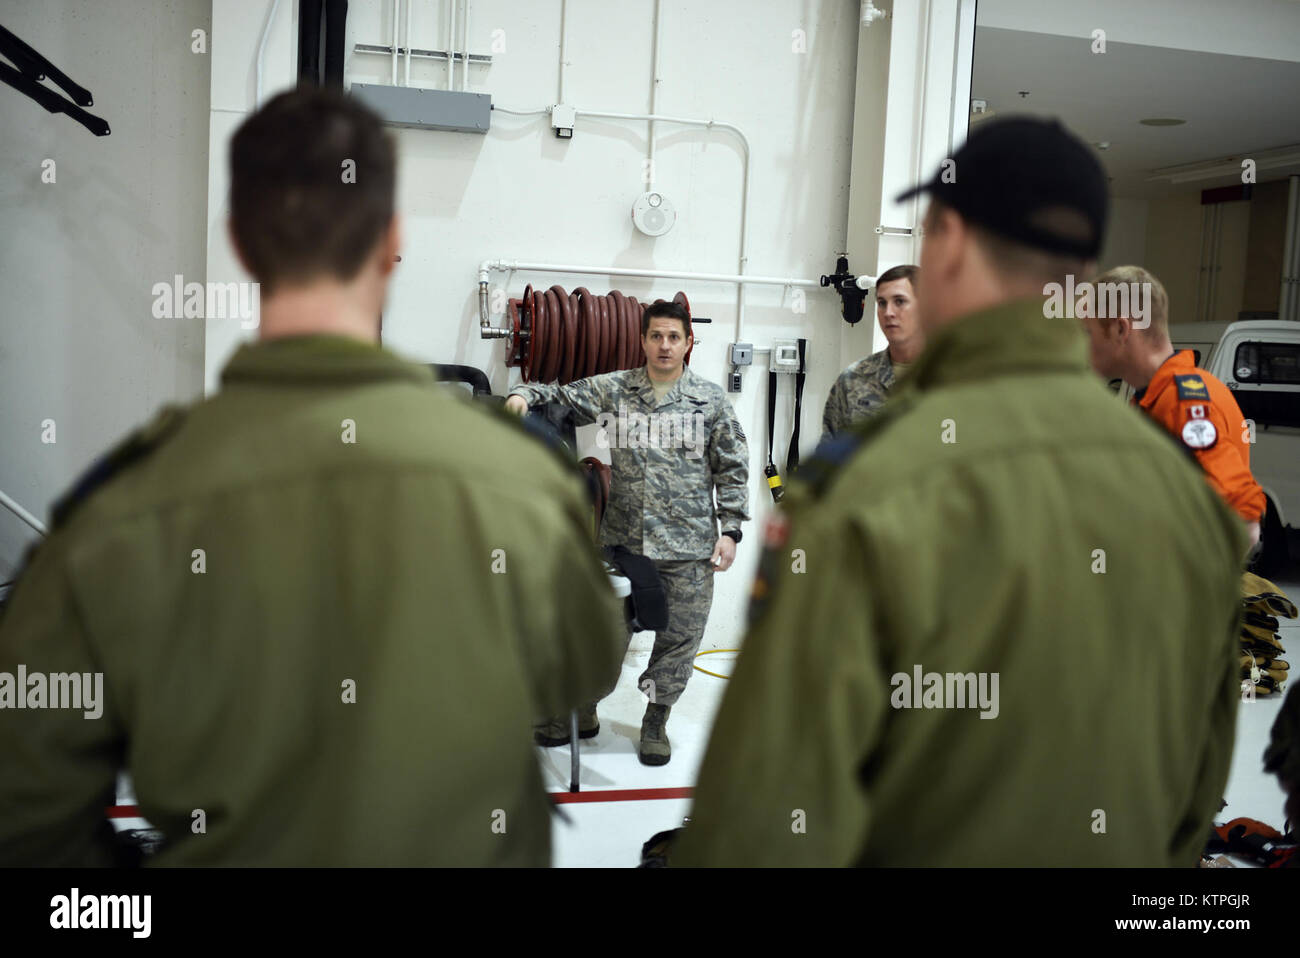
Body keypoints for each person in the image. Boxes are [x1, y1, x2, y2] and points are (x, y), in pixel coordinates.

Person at [0, 87, 625, 866]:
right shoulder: (517, 477)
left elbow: (30, 802)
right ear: (392, 241)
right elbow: (587, 664)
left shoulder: (124, 503)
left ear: (240, 242)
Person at [673, 116, 1246, 866]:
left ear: (947, 243)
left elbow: (770, 816)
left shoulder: (868, 492)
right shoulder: (1185, 496)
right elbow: (1200, 787)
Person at [505, 301, 750, 766]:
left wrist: (731, 530)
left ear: (688, 342)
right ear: (643, 340)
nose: (664, 345)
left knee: (678, 642)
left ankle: (656, 721)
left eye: (674, 337)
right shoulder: (616, 388)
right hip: (624, 545)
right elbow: (557, 396)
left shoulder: (710, 400)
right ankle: (582, 710)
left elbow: (732, 467)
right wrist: (520, 394)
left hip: (690, 547)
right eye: (656, 336)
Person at [1080, 264, 1264, 549]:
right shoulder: (1152, 398)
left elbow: (1245, 521)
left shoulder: (1185, 403)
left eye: (1088, 334)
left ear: (1120, 329)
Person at [821, 264, 923, 437]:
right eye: (882, 303)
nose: (888, 312)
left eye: (899, 301)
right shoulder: (853, 380)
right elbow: (829, 449)